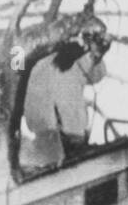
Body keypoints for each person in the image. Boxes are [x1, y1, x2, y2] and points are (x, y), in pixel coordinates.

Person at [21, 21, 110, 170]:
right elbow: (12, 73)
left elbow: (97, 74)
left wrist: (97, 54)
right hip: (45, 136)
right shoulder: (30, 59)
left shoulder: (74, 55)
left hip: (73, 133)